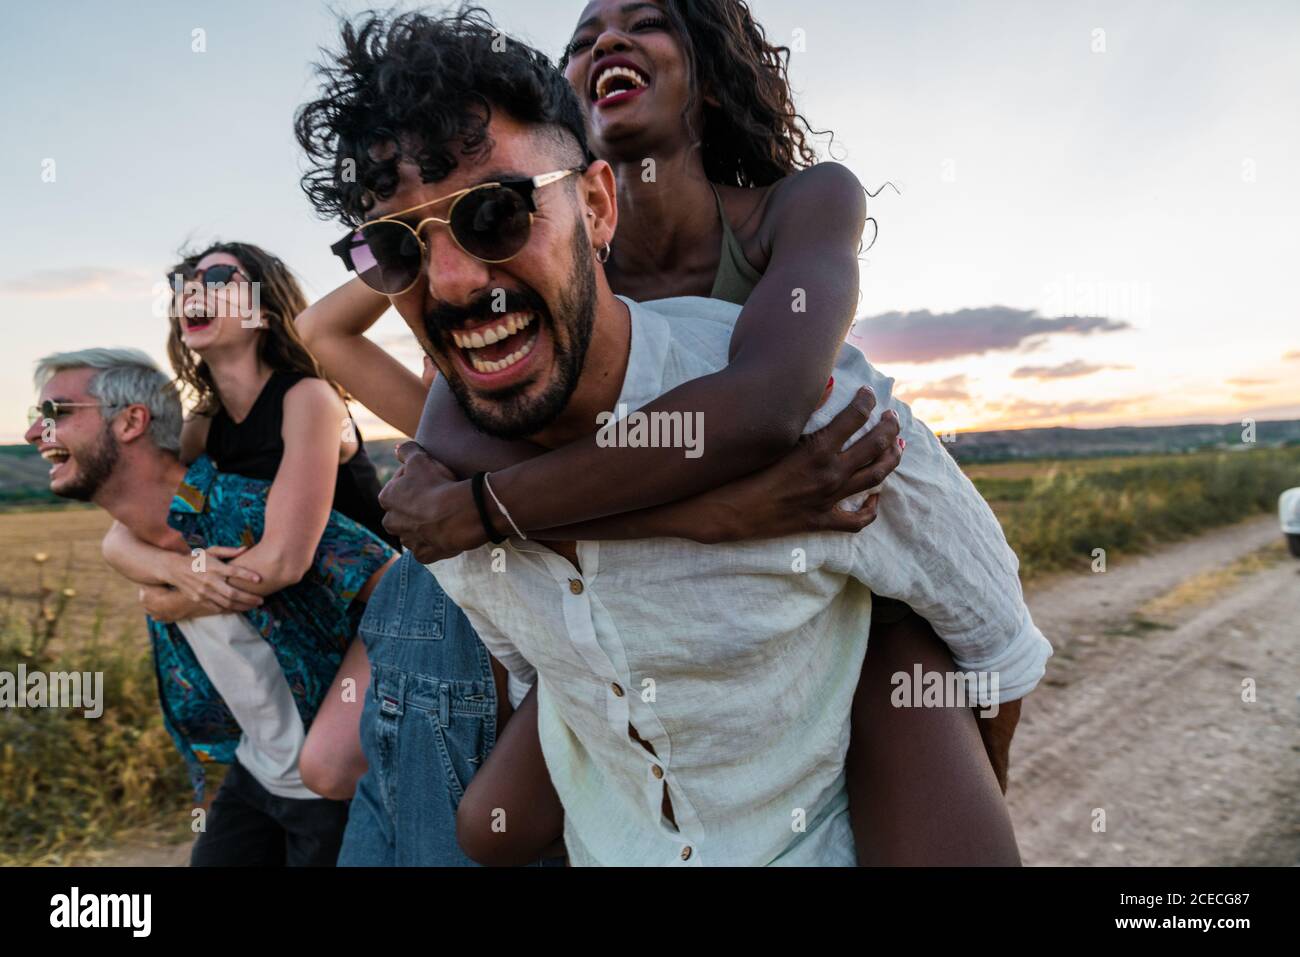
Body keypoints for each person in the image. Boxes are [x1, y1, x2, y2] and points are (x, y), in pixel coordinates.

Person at [295, 10, 1051, 865]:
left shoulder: (825, 397)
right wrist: (707, 516)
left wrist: (955, 789)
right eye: (397, 248)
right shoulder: (459, 478)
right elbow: (549, 659)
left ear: (595, 203)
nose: (457, 279)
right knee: (480, 823)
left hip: (829, 690)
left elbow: (768, 407)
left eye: (496, 214)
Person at [26, 349, 396, 865]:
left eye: (55, 414)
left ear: (132, 420)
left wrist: (364, 740)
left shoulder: (247, 509)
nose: (33, 434)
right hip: (254, 776)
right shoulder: (138, 544)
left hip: (336, 792)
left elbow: (404, 590)